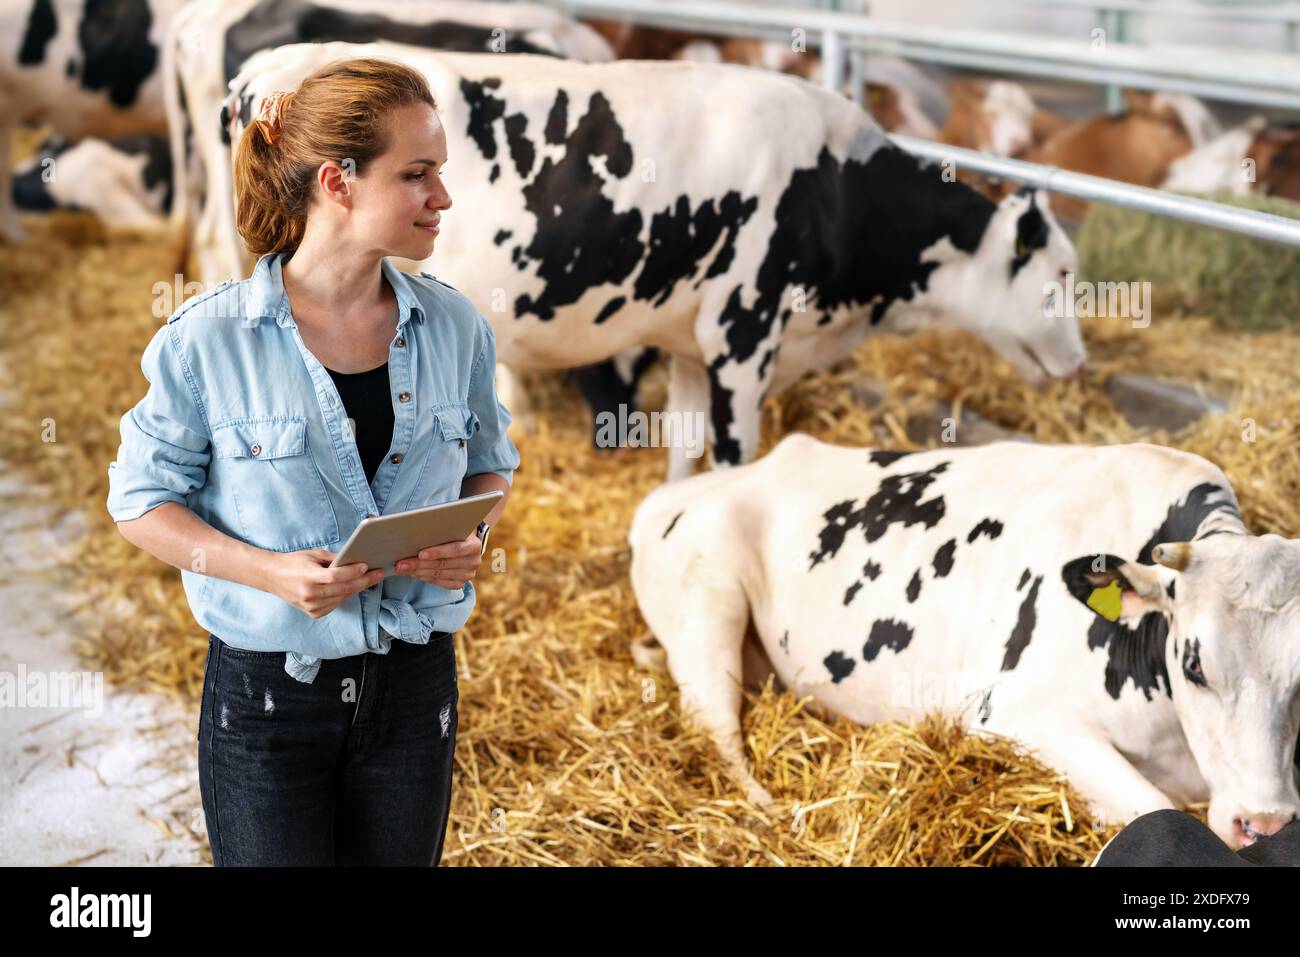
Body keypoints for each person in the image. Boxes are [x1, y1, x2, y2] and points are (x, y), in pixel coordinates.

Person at [106, 57, 521, 866]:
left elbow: (491, 464)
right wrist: (269, 572)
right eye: (418, 174)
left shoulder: (456, 327)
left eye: (441, 173)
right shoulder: (206, 340)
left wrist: (471, 536)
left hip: (414, 684)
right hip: (268, 697)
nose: (442, 197)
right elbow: (139, 505)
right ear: (339, 182)